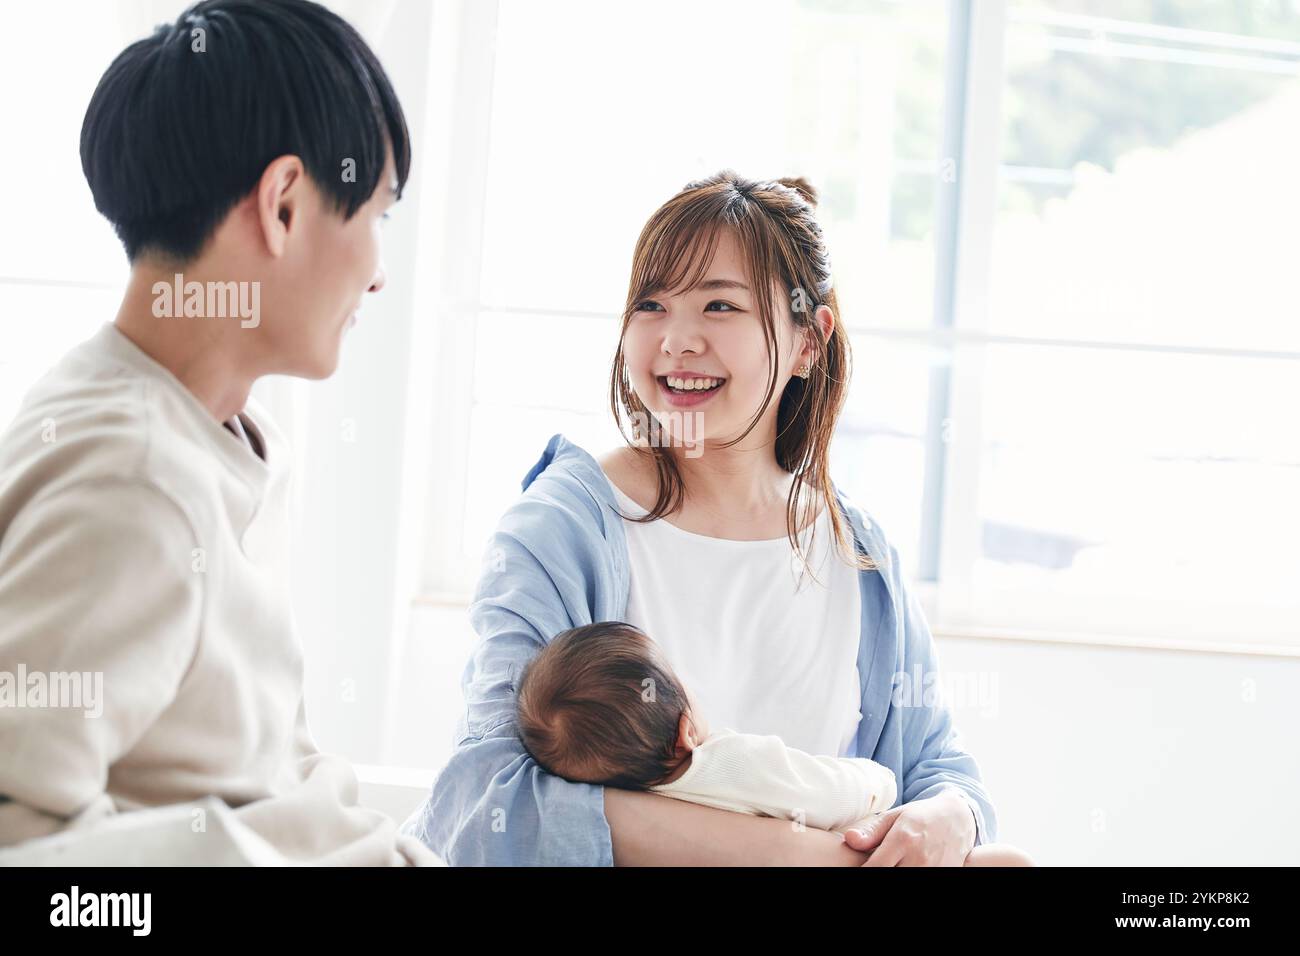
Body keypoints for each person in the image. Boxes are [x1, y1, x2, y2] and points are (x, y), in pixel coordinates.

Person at [403, 171, 1034, 866]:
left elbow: (937, 766)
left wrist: (954, 815)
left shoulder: (859, 554)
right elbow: (490, 803)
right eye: (651, 305)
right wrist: (800, 858)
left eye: (719, 307)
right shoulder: (564, 527)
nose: (676, 341)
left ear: (807, 343)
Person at [0, 0, 437, 865]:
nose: (379, 274)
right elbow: (23, 838)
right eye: (376, 215)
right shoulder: (135, 477)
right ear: (282, 205)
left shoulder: (211, 433)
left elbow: (265, 773)